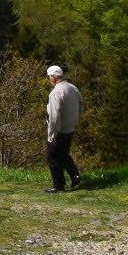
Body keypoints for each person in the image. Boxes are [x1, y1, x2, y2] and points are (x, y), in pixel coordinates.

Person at [44, 63, 83, 193]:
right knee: (63, 154)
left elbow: (54, 116)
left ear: (54, 77)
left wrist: (51, 134)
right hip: (70, 127)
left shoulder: (55, 92)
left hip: (59, 130)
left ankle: (58, 186)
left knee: (53, 157)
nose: (49, 79)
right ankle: (75, 176)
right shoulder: (73, 88)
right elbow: (80, 105)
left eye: (49, 77)